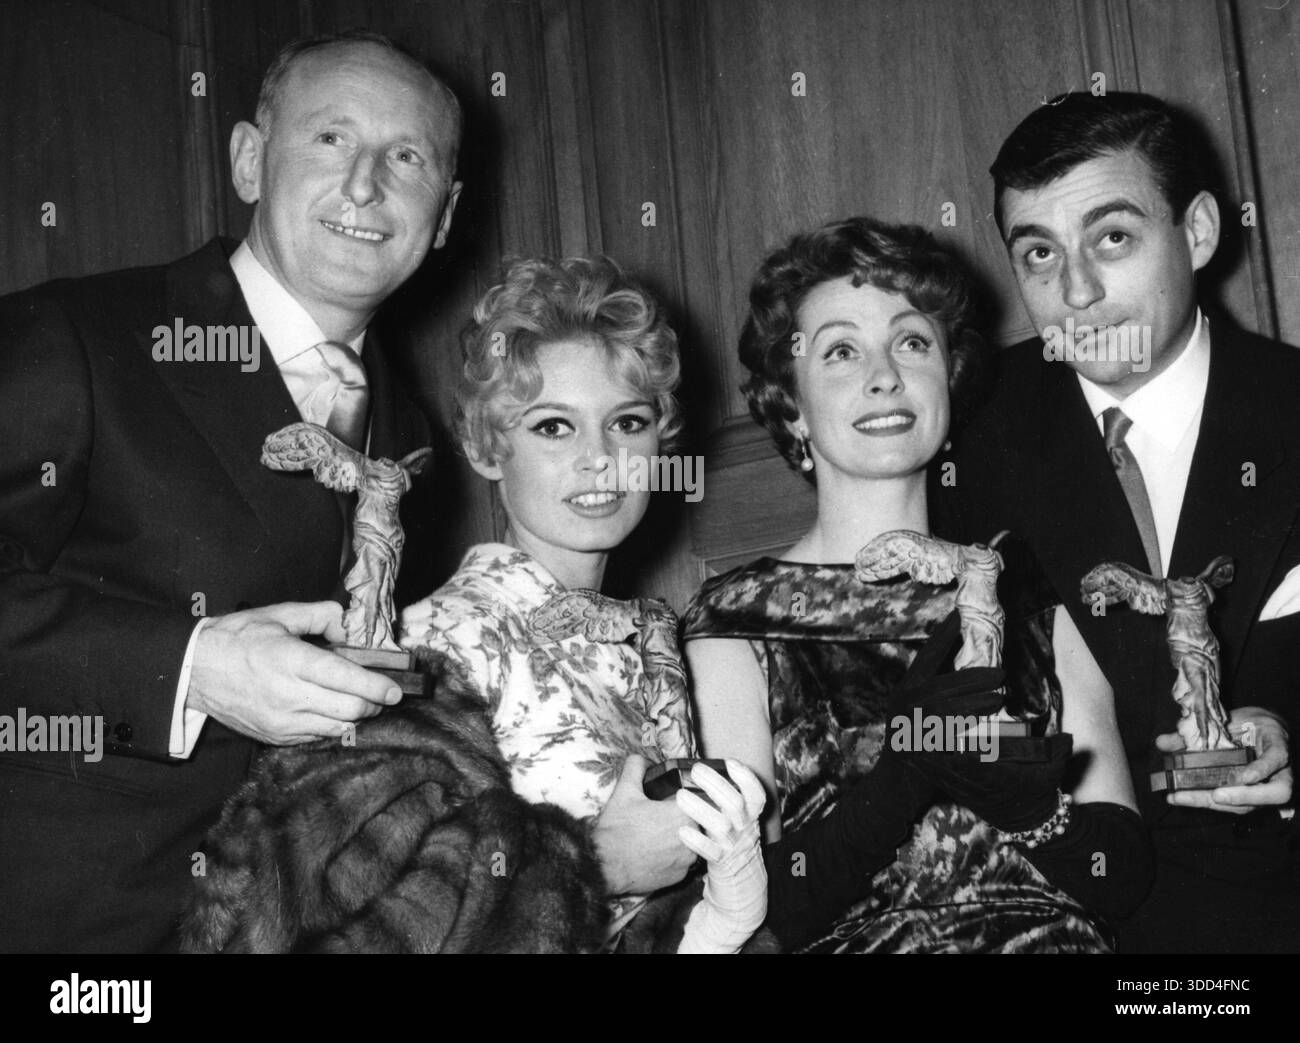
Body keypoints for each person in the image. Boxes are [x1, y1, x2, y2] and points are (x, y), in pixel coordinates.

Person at [0, 29, 462, 952]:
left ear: (444, 216)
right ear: (251, 160)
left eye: (405, 156)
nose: (366, 183)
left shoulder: (417, 446)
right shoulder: (78, 334)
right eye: (331, 138)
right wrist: (194, 669)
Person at [682, 216, 1153, 952]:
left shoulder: (1029, 600)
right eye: (840, 350)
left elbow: (1120, 879)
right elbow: (758, 917)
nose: (884, 374)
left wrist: (1037, 813)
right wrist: (906, 773)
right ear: (793, 405)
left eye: (911, 341)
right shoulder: (735, 621)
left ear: (949, 377)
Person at [938, 91, 1300, 954]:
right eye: (1038, 254)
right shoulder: (963, 439)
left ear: (1200, 231)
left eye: (1112, 238)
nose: (1077, 292)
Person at [399, 257, 767, 952]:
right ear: (485, 445)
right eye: (553, 428)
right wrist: (597, 865)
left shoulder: (645, 645)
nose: (600, 458)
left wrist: (726, 910)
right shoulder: (434, 643)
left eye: (626, 422)